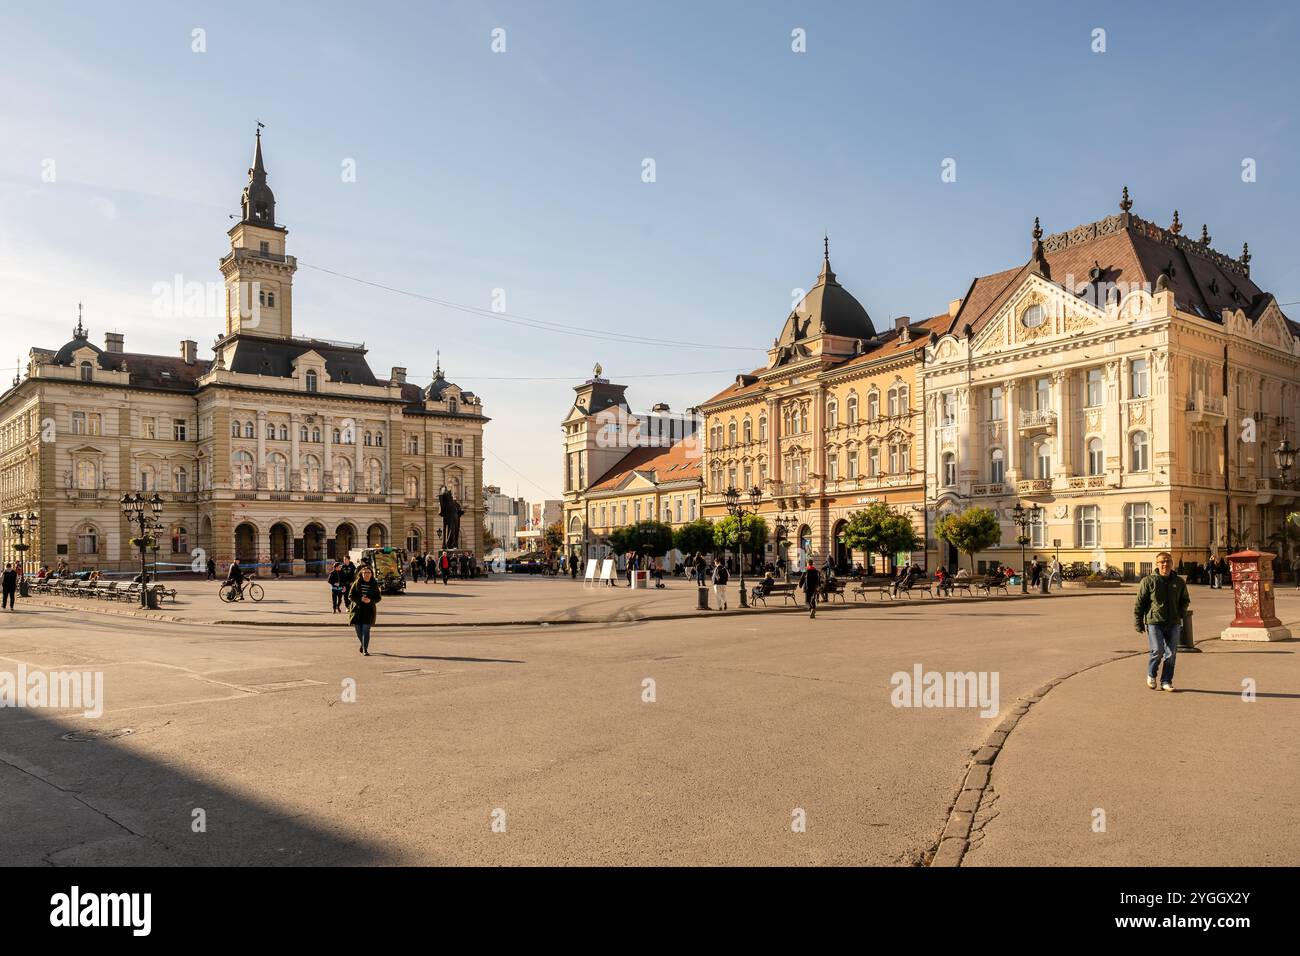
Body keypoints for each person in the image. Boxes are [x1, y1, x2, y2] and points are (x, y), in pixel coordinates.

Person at [1134, 551, 1190, 692]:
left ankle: (1166, 681)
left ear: (1172, 563)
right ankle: (1151, 675)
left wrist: (1181, 613)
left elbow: (1185, 600)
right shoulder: (1149, 581)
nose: (1165, 564)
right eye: (1162, 562)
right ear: (1157, 564)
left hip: (1173, 622)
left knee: (1171, 654)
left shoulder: (1179, 582)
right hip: (1155, 621)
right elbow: (1140, 603)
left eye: (1168, 561)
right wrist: (1138, 622)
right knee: (1157, 651)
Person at [348, 563, 383, 656]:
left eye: (368, 572)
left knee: (366, 630)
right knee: (359, 631)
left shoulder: (374, 584)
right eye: (364, 572)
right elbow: (350, 596)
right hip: (357, 610)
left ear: (371, 574)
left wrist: (371, 600)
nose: (366, 574)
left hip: (369, 610)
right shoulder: (356, 583)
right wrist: (360, 599)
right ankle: (363, 644)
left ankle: (365, 649)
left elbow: (378, 597)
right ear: (361, 574)